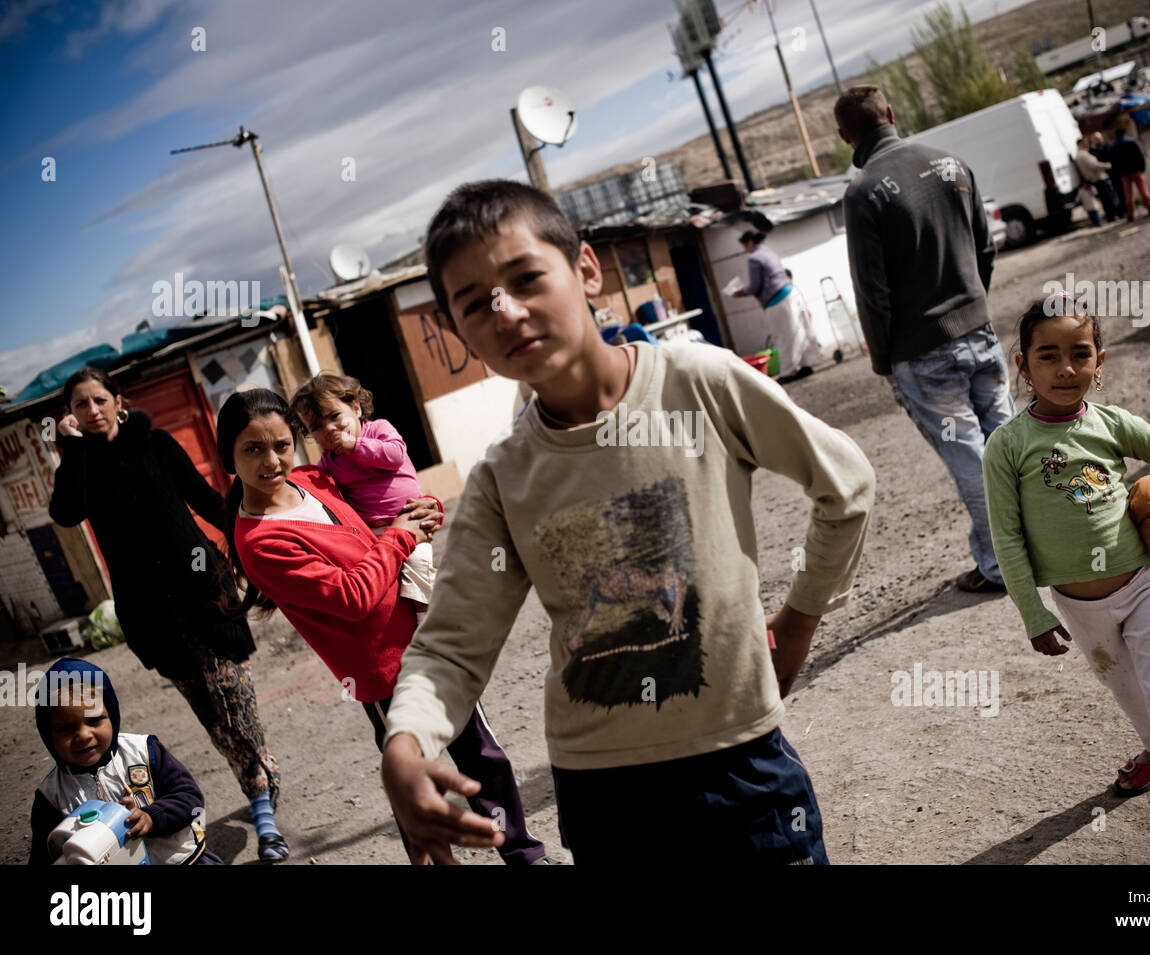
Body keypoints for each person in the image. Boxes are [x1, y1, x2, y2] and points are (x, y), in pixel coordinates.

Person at [380, 179, 876, 865]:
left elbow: (845, 483)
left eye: (527, 278)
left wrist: (799, 619)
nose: (509, 312)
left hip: (744, 770)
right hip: (606, 799)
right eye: (475, 304)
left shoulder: (699, 383)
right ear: (457, 330)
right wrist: (405, 742)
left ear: (587, 269)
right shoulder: (504, 478)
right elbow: (450, 646)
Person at [217, 388, 549, 865]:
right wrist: (400, 536)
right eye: (253, 449)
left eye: (282, 444)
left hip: (423, 638)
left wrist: (419, 508)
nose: (272, 461)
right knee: (414, 780)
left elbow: (384, 496)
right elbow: (352, 597)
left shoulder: (313, 477)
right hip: (381, 670)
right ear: (228, 456)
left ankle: (525, 855)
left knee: (483, 758)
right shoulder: (261, 541)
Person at [981, 295, 1150, 866]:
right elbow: (1007, 538)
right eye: (1049, 356)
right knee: (1127, 691)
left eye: (1080, 354)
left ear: (1099, 360)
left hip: (1144, 584)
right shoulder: (1007, 446)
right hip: (1075, 604)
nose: (1066, 368)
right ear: (1023, 365)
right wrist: (1033, 613)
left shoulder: (1113, 424)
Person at [48, 368, 287, 862]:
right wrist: (71, 452)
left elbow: (205, 499)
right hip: (152, 619)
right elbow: (66, 512)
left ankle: (262, 804)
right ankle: (261, 782)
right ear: (71, 416)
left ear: (119, 401)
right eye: (80, 405)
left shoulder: (156, 444)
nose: (91, 410)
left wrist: (261, 531)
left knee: (236, 705)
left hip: (205, 596)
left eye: (98, 400)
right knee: (212, 719)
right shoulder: (80, 467)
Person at [834, 84, 1012, 593]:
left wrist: (883, 359)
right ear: (891, 112)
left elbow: (872, 291)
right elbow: (986, 249)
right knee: (1005, 443)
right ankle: (1040, 543)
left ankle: (1002, 566)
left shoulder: (863, 192)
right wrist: (973, 308)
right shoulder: (951, 163)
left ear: (846, 137)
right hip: (979, 331)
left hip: (922, 351)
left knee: (970, 458)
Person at [29, 659, 221, 865]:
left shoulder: (143, 751)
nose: (83, 735)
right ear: (48, 735)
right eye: (66, 728)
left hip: (183, 860)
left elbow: (189, 797)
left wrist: (152, 817)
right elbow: (44, 854)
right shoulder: (51, 796)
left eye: (94, 720)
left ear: (112, 715)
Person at [289, 373, 435, 610]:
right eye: (316, 427)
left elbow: (395, 456)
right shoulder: (328, 463)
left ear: (356, 408)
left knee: (417, 570)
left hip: (411, 518)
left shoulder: (378, 430)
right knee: (385, 584)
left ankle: (426, 623)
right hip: (372, 533)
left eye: (335, 416)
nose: (329, 429)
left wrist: (356, 446)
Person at [730, 230, 820, 383]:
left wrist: (739, 293)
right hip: (791, 292)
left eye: (745, 246)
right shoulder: (768, 251)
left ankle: (787, 372)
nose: (745, 250)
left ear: (750, 242)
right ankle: (807, 364)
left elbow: (755, 286)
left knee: (784, 337)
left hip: (776, 300)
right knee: (800, 331)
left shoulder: (754, 258)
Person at [1109, 123, 1150, 222]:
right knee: (1143, 191)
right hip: (1135, 171)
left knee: (1128, 195)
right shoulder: (1131, 142)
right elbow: (1140, 155)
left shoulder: (1114, 146)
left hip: (1124, 174)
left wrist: (1118, 173)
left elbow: (1113, 162)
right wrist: (1142, 168)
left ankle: (1131, 214)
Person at [1073, 136, 1111, 227]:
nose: (1086, 144)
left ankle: (1108, 216)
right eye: (1084, 143)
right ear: (1080, 144)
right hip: (1097, 178)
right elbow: (1094, 165)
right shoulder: (1083, 155)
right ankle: (1111, 216)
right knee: (1107, 198)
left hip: (1094, 179)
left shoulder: (1080, 154)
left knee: (1104, 199)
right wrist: (1107, 165)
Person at [1088, 132, 1123, 222]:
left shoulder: (1108, 146)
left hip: (1113, 174)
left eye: (1098, 138)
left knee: (1117, 194)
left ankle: (1121, 212)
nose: (1096, 141)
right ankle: (1111, 215)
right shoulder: (1092, 151)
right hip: (1102, 177)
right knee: (1106, 198)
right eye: (1094, 139)